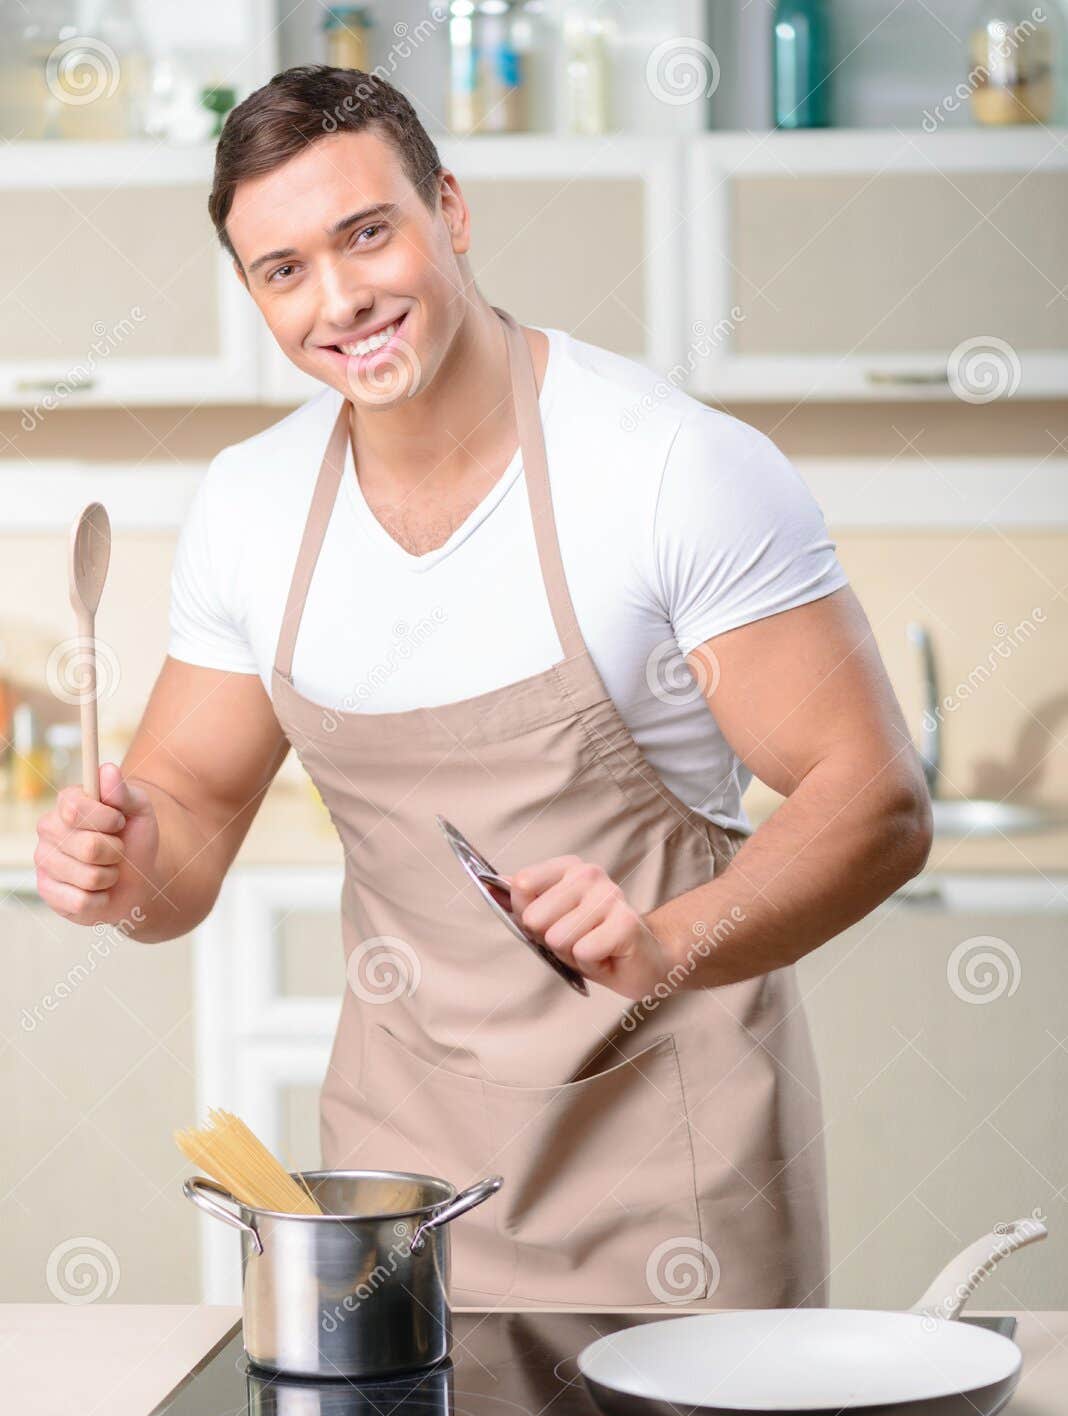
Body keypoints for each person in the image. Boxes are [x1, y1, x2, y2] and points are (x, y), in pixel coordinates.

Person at [34, 67, 932, 1309]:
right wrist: (123, 869)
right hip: (398, 1199)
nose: (340, 300)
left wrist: (664, 941)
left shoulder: (670, 470)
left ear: (448, 209)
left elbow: (875, 800)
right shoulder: (249, 507)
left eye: (367, 233)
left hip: (676, 1177)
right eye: (283, 269)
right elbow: (181, 824)